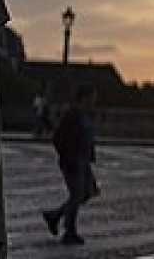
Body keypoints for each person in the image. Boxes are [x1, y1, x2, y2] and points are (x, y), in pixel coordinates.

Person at [42, 84, 99, 245]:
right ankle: (69, 231)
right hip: (73, 161)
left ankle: (55, 216)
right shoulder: (73, 114)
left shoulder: (88, 114)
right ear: (85, 96)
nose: (95, 99)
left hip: (83, 161)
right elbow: (58, 137)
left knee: (84, 195)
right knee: (77, 195)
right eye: (93, 95)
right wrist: (67, 156)